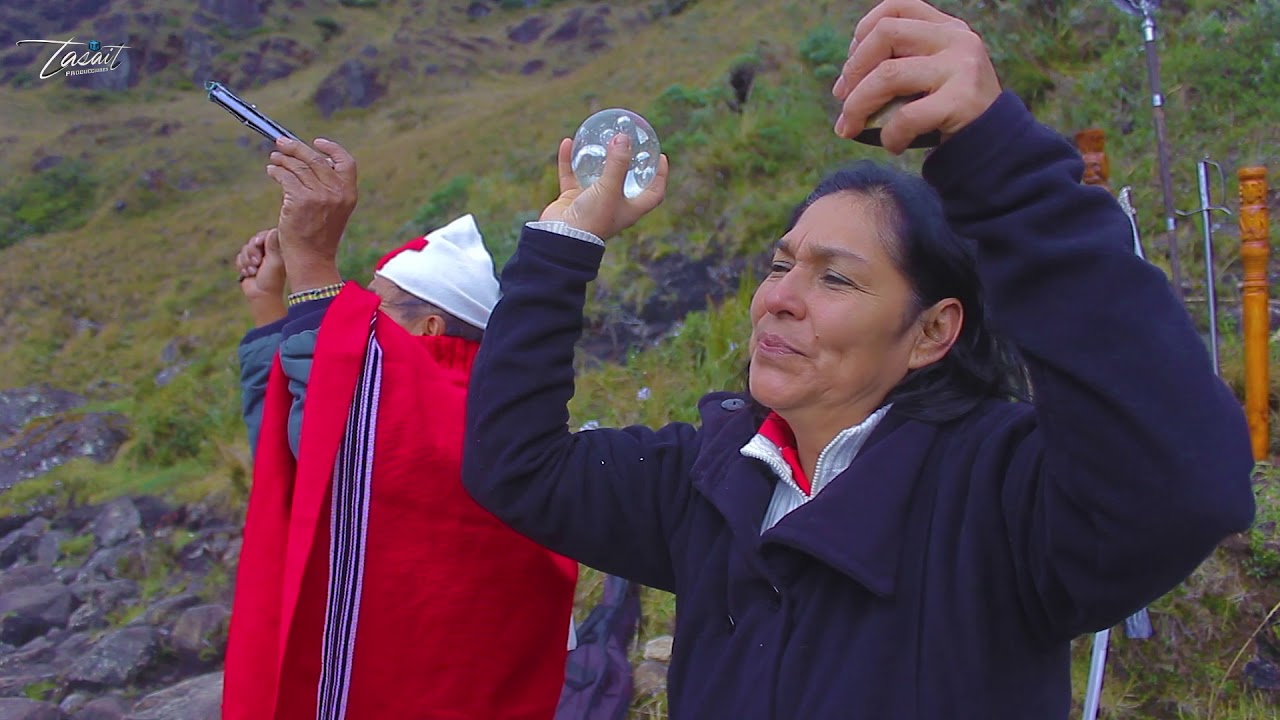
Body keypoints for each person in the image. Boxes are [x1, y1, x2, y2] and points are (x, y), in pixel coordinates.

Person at [458, 0, 1257, 717]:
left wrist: (1001, 161)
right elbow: (517, 464)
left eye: (835, 277)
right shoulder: (712, 476)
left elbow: (1186, 485)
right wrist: (566, 240)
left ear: (932, 333)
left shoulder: (1002, 495)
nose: (780, 297)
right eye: (779, 265)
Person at [225, 138, 579, 720]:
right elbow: (305, 465)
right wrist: (270, 307)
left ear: (430, 326)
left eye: (379, 308)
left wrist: (314, 265)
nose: (358, 319)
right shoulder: (479, 414)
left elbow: (332, 439)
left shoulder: (457, 417)